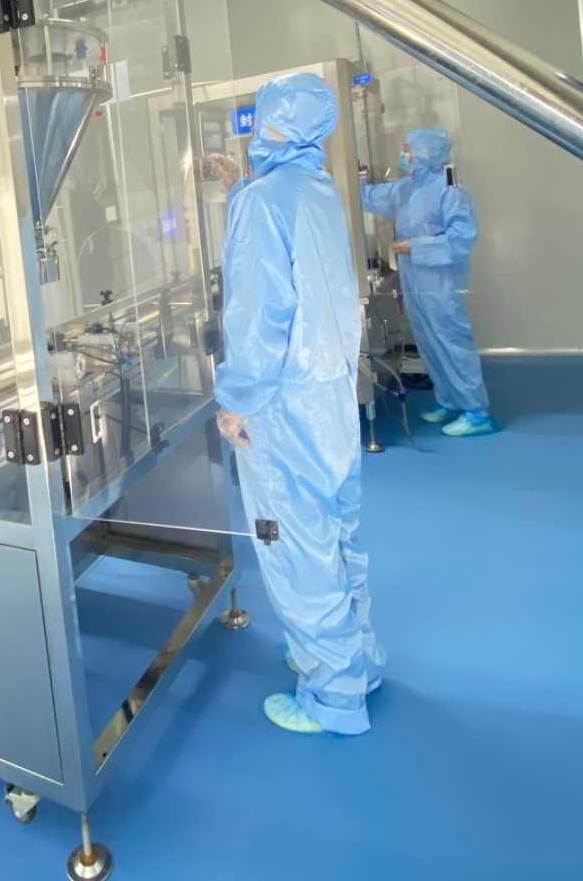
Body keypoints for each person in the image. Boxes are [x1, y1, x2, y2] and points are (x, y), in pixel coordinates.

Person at [207, 73, 385, 736]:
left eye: (261, 120)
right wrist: (240, 187)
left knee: (295, 549)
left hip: (281, 402)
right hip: (328, 395)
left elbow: (259, 312)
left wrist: (237, 400)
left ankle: (333, 697)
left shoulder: (263, 201)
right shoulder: (314, 190)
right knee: (335, 535)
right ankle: (357, 660)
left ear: (272, 124)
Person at [361, 127, 495, 437]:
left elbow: (462, 237)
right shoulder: (407, 188)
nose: (404, 155)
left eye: (408, 150)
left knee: (451, 341)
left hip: (439, 280)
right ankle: (449, 400)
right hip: (414, 279)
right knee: (428, 342)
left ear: (427, 152)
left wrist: (417, 246)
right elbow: (371, 198)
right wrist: (355, 182)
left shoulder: (450, 189)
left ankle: (477, 413)